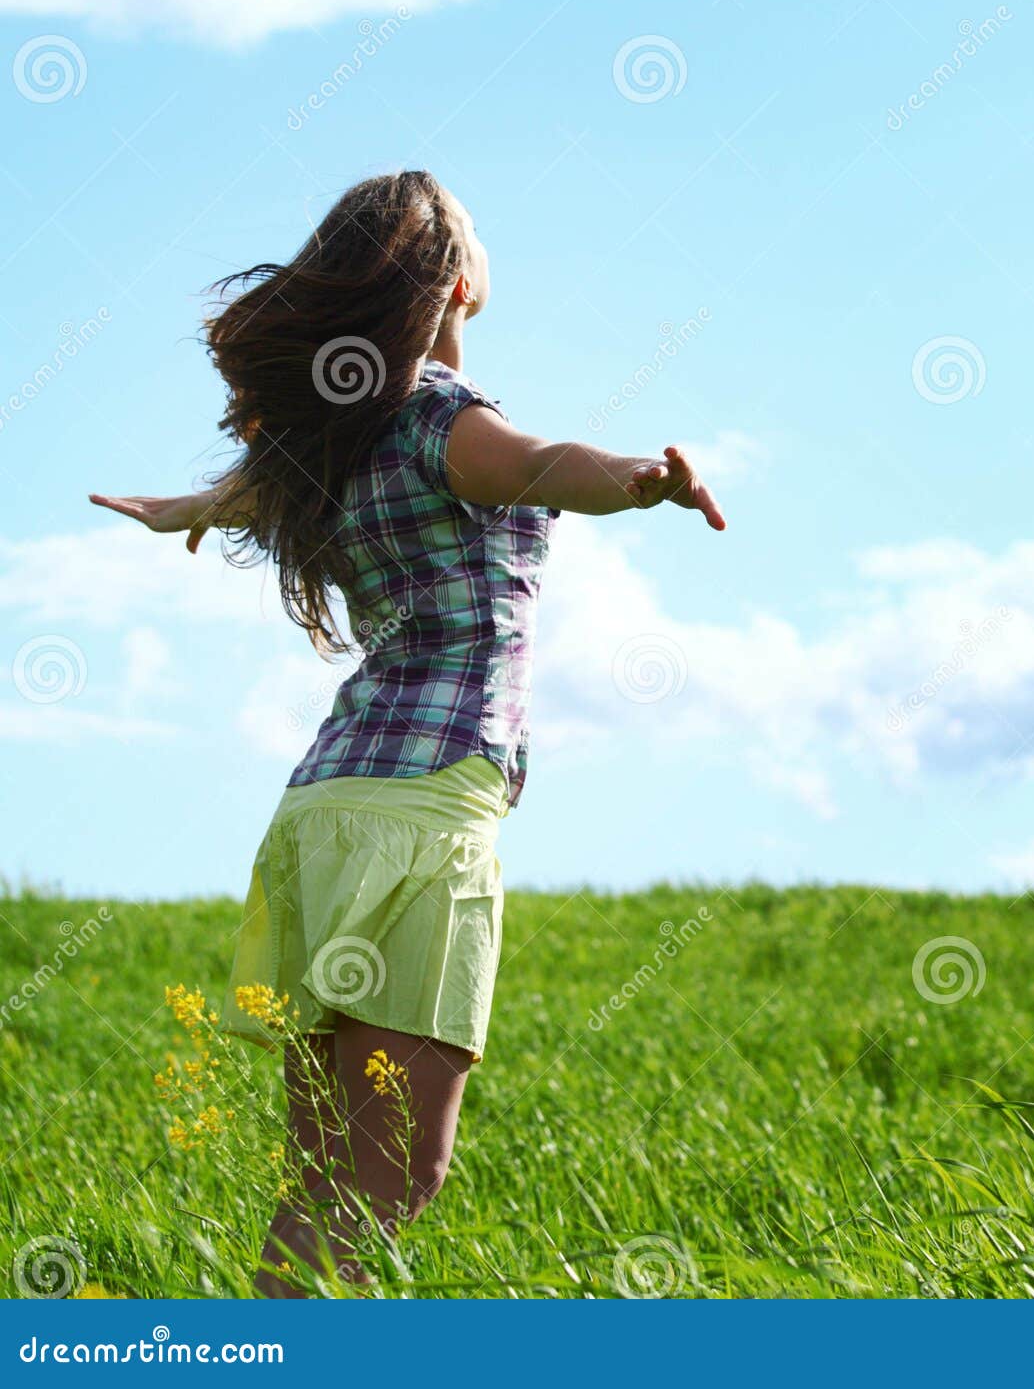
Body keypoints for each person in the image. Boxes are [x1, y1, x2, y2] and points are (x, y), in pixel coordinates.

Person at [90, 170, 724, 1295]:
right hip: (423, 812)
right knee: (393, 1176)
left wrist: (187, 507)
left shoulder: (338, 440)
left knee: (325, 1170)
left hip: (322, 811)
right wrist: (636, 481)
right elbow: (533, 465)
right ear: (462, 281)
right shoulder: (440, 422)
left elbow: (254, 491)